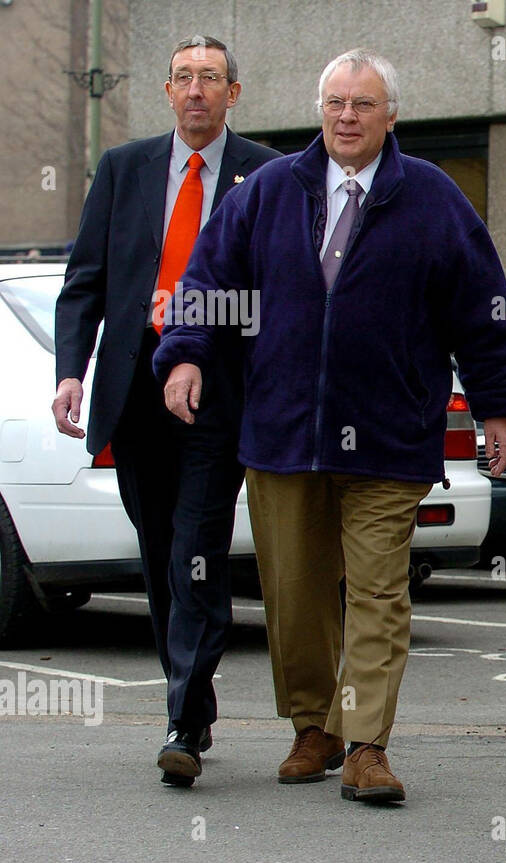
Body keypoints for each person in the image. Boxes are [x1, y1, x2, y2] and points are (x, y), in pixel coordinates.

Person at [154, 48, 506, 805]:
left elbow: (481, 309)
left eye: (362, 104)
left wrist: (496, 405)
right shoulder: (267, 191)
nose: (347, 117)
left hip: (389, 436)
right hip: (284, 433)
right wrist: (185, 355)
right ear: (318, 110)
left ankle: (364, 744)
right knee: (292, 592)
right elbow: (205, 280)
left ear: (391, 115)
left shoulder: (432, 198)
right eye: (335, 103)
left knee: (378, 592)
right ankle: (311, 727)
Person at [53, 35, 280, 787]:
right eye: (183, 78)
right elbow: (86, 281)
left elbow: (278, 289)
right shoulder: (124, 170)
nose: (195, 92)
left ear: (232, 94)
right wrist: (70, 374)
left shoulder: (266, 173)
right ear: (167, 89)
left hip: (218, 392)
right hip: (137, 391)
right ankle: (194, 698)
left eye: (210, 79)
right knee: (160, 559)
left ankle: (181, 719)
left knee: (197, 550)